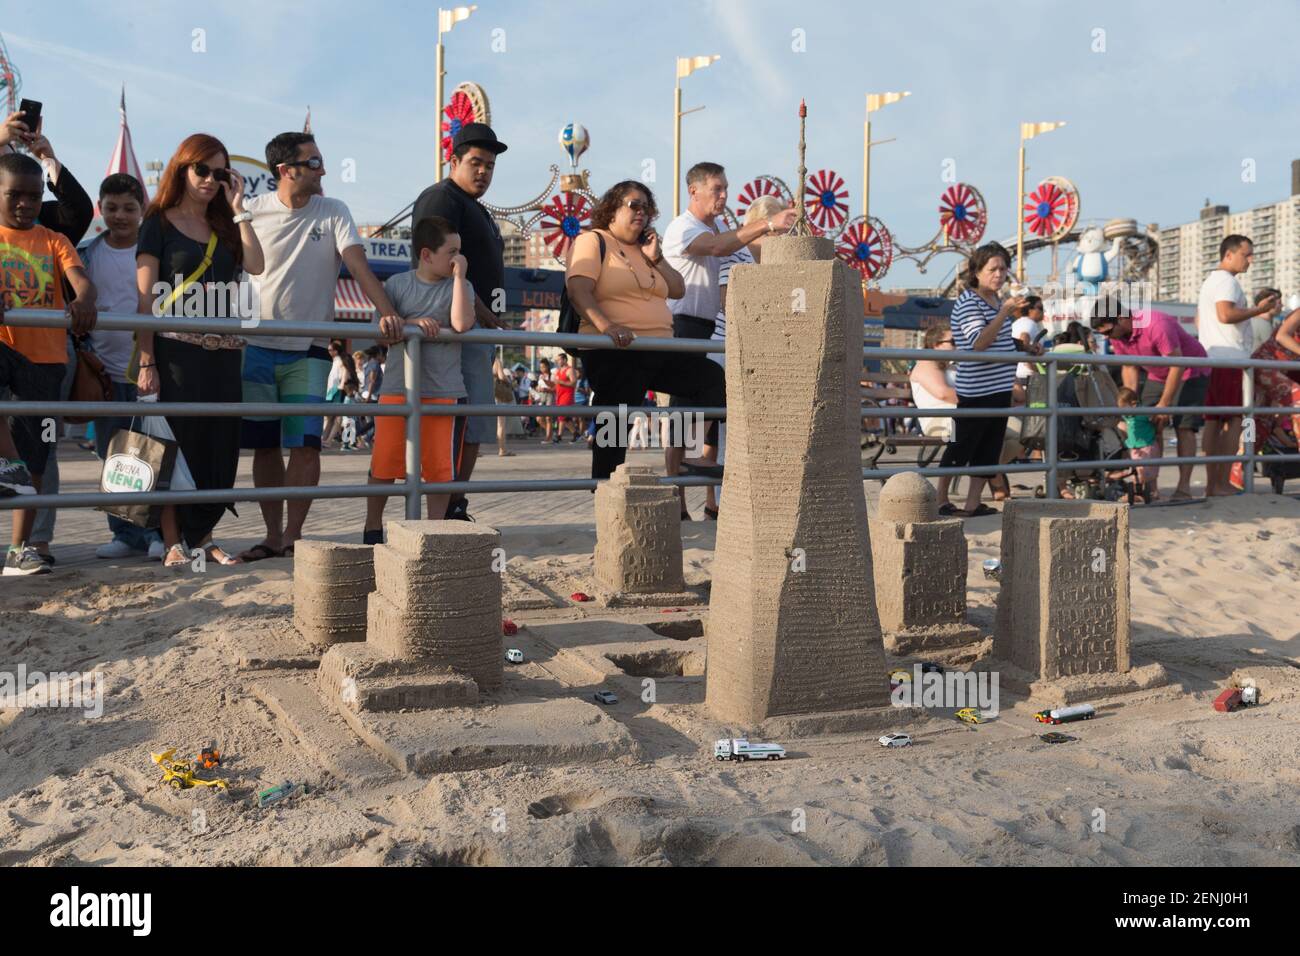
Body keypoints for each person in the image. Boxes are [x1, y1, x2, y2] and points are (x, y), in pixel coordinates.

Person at [237, 132, 401, 562]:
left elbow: (357, 265)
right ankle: (272, 536)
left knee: (307, 444)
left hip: (310, 346)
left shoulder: (334, 211)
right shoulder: (250, 212)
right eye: (313, 163)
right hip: (255, 343)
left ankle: (293, 535)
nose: (323, 170)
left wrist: (386, 312)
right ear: (286, 170)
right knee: (265, 446)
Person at [135, 132, 265, 568]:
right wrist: (147, 359)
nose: (210, 180)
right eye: (202, 170)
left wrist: (241, 209)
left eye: (219, 172)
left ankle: (205, 537)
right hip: (175, 355)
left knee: (219, 445)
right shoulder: (157, 222)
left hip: (225, 355)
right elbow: (144, 299)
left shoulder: (227, 224)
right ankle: (174, 540)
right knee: (178, 444)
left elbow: (256, 265)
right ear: (182, 168)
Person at [565, 180, 726, 483]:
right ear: (611, 210)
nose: (642, 212)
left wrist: (657, 258)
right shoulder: (593, 241)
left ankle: (691, 454)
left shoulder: (645, 250)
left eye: (646, 207)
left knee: (710, 379)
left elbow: (678, 289)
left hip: (659, 348)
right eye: (633, 205)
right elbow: (578, 290)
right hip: (615, 349)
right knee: (617, 418)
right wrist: (607, 326)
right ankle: (607, 489)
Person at [661, 162, 796, 518]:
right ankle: (676, 493)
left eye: (725, 189)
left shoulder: (718, 227)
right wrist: (767, 224)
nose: (724, 196)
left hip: (704, 329)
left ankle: (703, 489)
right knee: (682, 411)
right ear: (694, 191)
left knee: (707, 409)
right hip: (683, 325)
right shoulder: (684, 227)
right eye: (717, 189)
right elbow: (720, 252)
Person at [1, 110, 96, 566]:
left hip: (45, 358)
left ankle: (28, 546)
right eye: (13, 195)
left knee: (37, 455)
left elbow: (80, 210)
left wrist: (46, 157)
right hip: (5, 349)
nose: (24, 203)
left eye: (33, 196)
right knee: (16, 451)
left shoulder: (55, 230)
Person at [411, 123, 509, 521]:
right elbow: (439, 267)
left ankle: (453, 503)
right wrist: (485, 317)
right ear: (453, 161)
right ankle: (442, 509)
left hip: (475, 332)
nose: (483, 171)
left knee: (474, 424)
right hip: (452, 332)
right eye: (475, 162)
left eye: (489, 165)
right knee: (454, 422)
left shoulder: (477, 208)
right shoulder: (441, 198)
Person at [362, 216, 474, 543]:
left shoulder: (462, 285)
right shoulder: (397, 284)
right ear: (427, 254)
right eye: (451, 252)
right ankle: (372, 527)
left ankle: (433, 530)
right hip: (398, 389)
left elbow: (463, 323)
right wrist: (410, 324)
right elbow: (379, 333)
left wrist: (460, 277)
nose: (458, 258)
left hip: (444, 391)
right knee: (384, 463)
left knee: (440, 468)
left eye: (460, 252)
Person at [79, 173, 164, 559]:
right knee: (112, 457)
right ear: (101, 208)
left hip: (146, 368)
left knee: (149, 453)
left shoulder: (151, 252)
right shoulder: (87, 254)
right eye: (111, 208)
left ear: (142, 209)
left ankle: (155, 534)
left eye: (129, 208)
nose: (120, 216)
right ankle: (123, 534)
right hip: (102, 374)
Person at [699, 193, 788, 519]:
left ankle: (722, 502)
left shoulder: (780, 260)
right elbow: (728, 303)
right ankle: (720, 501)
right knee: (725, 429)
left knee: (743, 430)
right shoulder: (735, 254)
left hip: (761, 350)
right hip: (728, 345)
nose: (778, 236)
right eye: (773, 229)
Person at [1091, 297, 1210, 501]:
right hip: (1157, 374)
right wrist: (1127, 405)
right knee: (1147, 425)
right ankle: (1151, 487)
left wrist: (1164, 404)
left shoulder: (1156, 324)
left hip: (1190, 370)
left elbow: (1178, 364)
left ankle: (1183, 487)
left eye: (1109, 332)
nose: (1108, 337)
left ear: (1121, 318)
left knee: (1184, 427)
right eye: (1103, 334)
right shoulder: (1116, 335)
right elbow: (1129, 366)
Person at [939, 243, 1026, 518]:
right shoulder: (968, 302)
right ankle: (940, 500)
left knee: (988, 449)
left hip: (999, 389)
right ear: (976, 272)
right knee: (959, 445)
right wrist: (1005, 313)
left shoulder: (996, 302)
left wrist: (1024, 348)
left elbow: (997, 339)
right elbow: (978, 342)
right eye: (993, 269)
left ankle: (972, 503)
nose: (999, 274)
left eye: (1003, 269)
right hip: (974, 391)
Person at [1195, 235, 1279, 496]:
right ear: (1229, 255)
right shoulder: (1227, 282)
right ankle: (1219, 484)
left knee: (1213, 421)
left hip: (1213, 357)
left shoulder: (1211, 281)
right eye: (1247, 254)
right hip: (1230, 360)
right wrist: (1258, 309)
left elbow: (1202, 320)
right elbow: (1226, 315)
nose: (1251, 260)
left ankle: (1213, 484)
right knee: (1232, 420)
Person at [909, 324, 959, 512]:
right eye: (953, 341)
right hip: (939, 419)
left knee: (1014, 436)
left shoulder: (954, 364)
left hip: (959, 415)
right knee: (965, 432)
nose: (958, 345)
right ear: (936, 344)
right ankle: (941, 496)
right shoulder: (927, 362)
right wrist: (976, 397)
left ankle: (994, 483)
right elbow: (943, 393)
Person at [1117, 387, 1159, 501]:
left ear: (1133, 404)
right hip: (1134, 447)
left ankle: (1152, 492)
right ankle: (1139, 492)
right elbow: (1124, 425)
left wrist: (1156, 427)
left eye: (1123, 408)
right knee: (1137, 471)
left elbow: (1154, 418)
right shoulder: (1127, 416)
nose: (1121, 411)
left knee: (1147, 472)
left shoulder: (1142, 413)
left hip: (1147, 445)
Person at [491, 349, 516, 456]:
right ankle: (502, 449)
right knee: (501, 424)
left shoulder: (480, 359)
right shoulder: (495, 360)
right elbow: (501, 376)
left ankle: (475, 450)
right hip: (497, 393)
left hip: (483, 392)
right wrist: (509, 382)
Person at [553, 353, 578, 442]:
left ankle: (559, 436)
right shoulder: (558, 371)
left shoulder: (569, 370)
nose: (557, 362)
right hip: (559, 396)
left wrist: (561, 382)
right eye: (557, 360)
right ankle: (576, 434)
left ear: (564, 360)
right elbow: (555, 385)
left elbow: (574, 383)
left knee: (562, 415)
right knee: (566, 418)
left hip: (567, 396)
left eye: (559, 360)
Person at [533, 357, 555, 441]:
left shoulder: (552, 375)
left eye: (543, 367)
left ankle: (548, 437)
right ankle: (550, 433)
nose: (541, 369)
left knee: (548, 418)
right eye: (540, 367)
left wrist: (545, 386)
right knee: (539, 418)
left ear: (547, 367)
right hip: (542, 396)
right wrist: (538, 388)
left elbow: (554, 387)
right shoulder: (540, 376)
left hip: (549, 395)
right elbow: (539, 386)